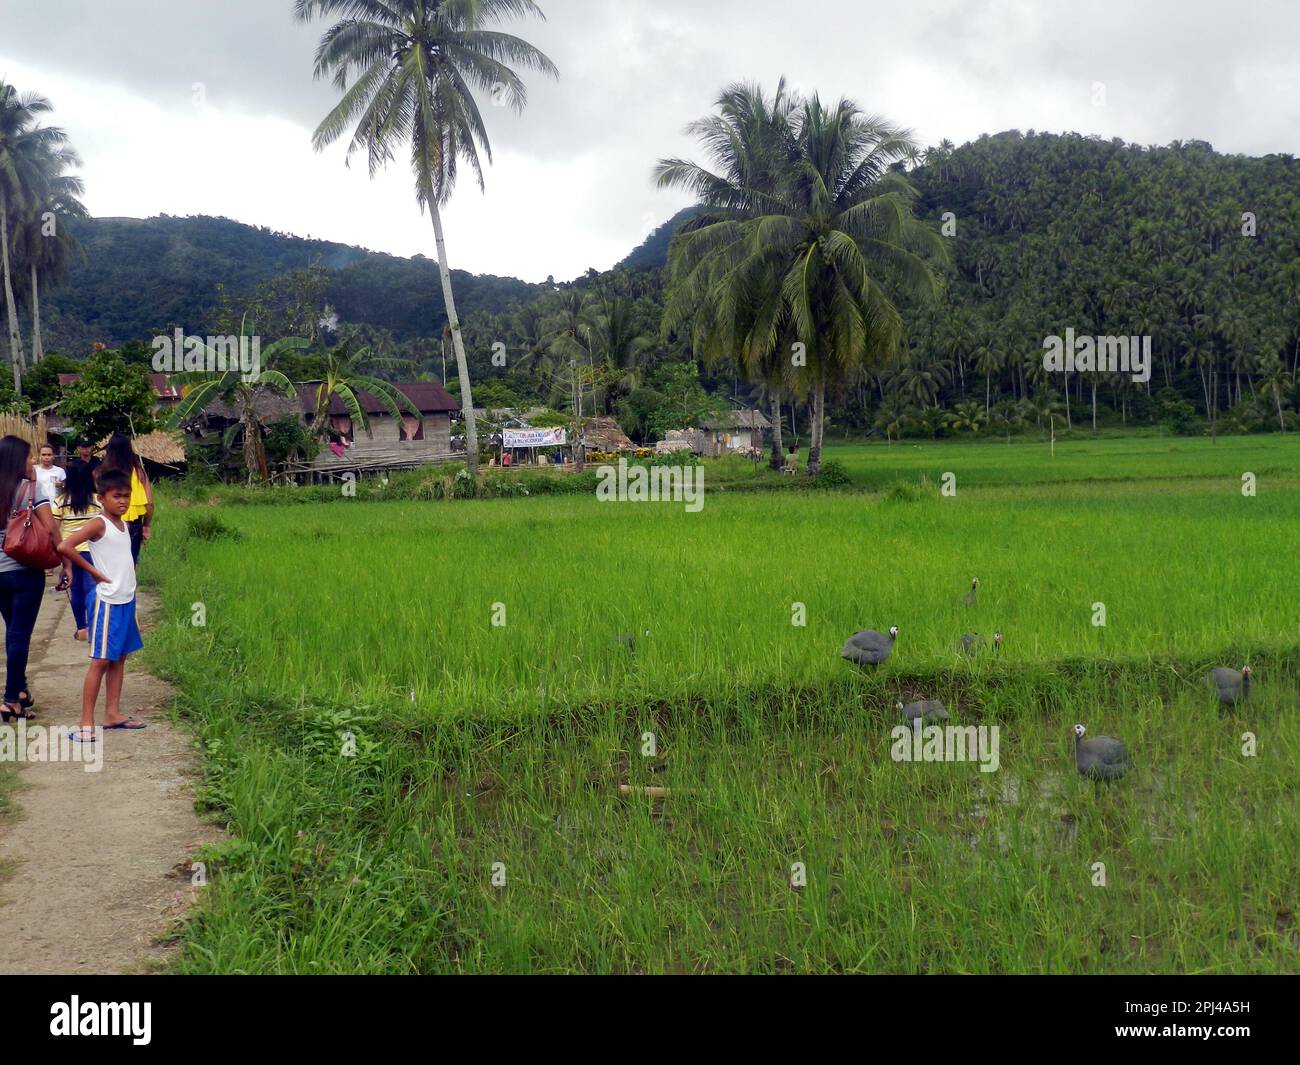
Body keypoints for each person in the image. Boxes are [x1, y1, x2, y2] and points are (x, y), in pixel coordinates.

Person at [58, 469, 147, 739]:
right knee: (100, 661)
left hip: (125, 598)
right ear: (102, 498)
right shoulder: (100, 523)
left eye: (126, 496)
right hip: (107, 600)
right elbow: (66, 546)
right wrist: (93, 572)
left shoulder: (123, 524)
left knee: (119, 657)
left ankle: (112, 713)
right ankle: (86, 722)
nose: (123, 501)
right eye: (116, 496)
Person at [0, 435, 61, 722]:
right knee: (19, 636)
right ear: (16, 460)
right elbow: (50, 529)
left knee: (13, 631)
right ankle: (11, 699)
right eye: (28, 457)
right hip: (25, 572)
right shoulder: (29, 488)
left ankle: (21, 691)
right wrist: (65, 563)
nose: (33, 462)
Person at [51, 459, 102, 641]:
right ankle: (95, 626)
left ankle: (82, 628)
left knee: (76, 591)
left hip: (69, 553)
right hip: (93, 552)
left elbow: (54, 530)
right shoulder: (97, 501)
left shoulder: (59, 502)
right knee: (92, 590)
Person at [99, 433, 153, 564]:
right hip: (134, 524)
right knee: (130, 563)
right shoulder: (139, 472)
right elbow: (149, 504)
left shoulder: (101, 472)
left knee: (108, 564)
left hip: (107, 522)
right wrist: (146, 525)